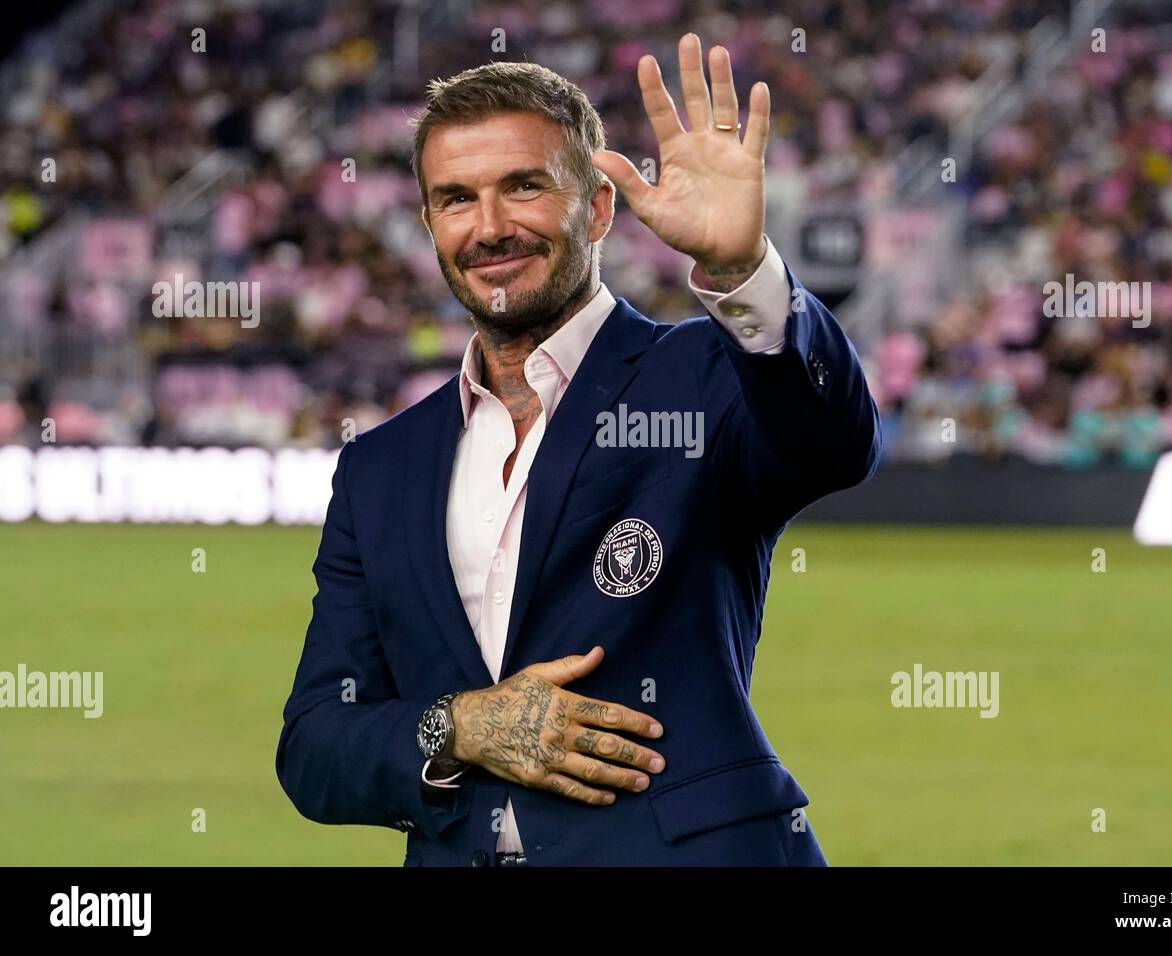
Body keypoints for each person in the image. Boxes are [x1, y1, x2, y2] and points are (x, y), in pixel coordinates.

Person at [276, 32, 881, 866]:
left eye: (523, 187)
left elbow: (834, 446)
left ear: (597, 207)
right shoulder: (381, 466)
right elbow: (315, 745)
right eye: (456, 199)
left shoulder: (703, 375)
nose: (489, 227)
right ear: (428, 224)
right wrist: (456, 726)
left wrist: (742, 272)